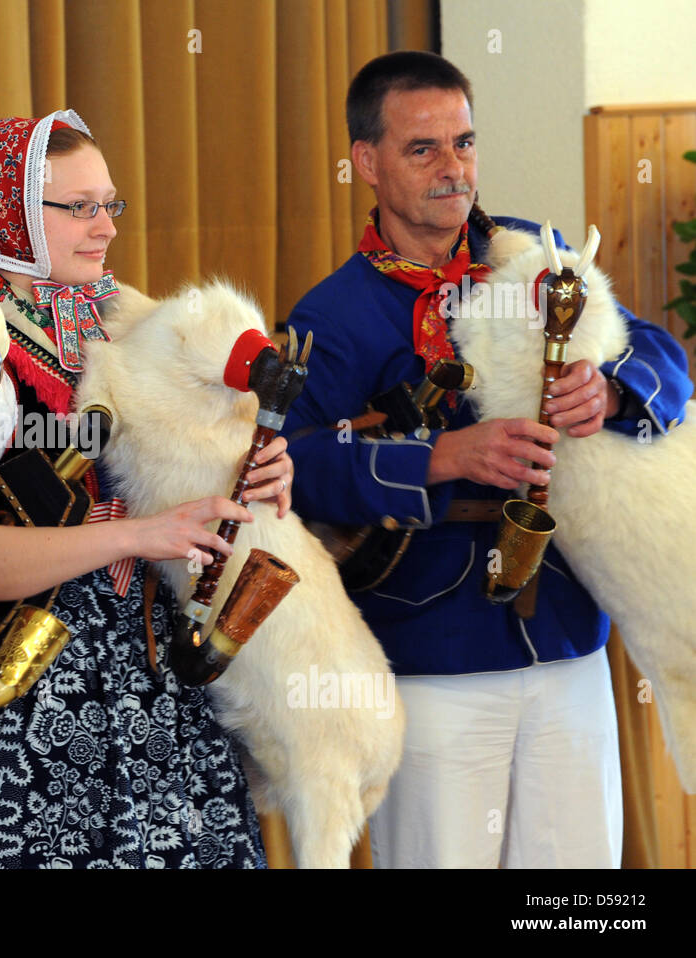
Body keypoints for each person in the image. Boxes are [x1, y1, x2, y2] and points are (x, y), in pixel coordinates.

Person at [282, 51, 693, 868]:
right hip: (431, 652)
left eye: (464, 143)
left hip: (570, 642)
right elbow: (291, 468)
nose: (453, 168)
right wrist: (439, 457)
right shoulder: (332, 313)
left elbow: (664, 358)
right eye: (423, 149)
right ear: (366, 161)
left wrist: (610, 392)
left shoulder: (533, 255)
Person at [0, 111, 294, 868]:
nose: (105, 227)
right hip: (33, 698)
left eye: (109, 204)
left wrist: (263, 469)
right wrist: (132, 534)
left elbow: (194, 478)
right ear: (11, 215)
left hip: (162, 680)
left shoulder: (135, 327)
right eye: (78, 207)